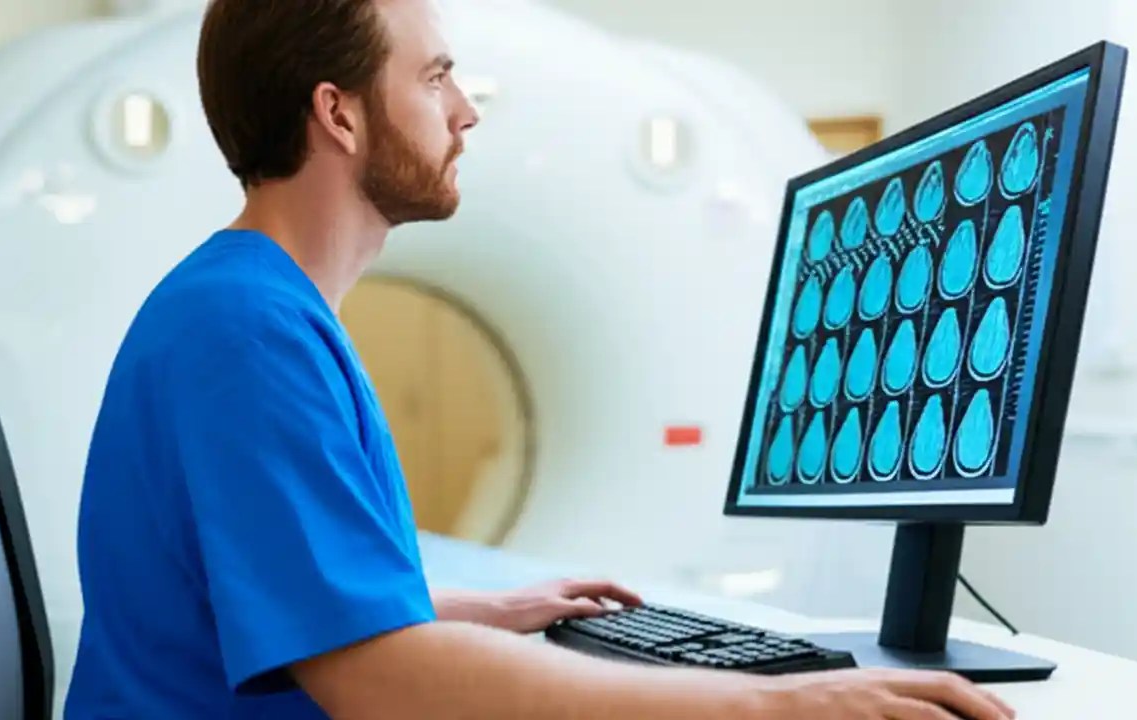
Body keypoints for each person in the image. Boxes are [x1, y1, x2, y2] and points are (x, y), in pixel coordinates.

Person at [63, 0, 1017, 718]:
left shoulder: (250, 308)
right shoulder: (247, 331)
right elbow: (380, 681)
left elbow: (273, 594)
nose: (465, 111)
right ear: (339, 115)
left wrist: (471, 609)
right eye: (435, 78)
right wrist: (769, 705)